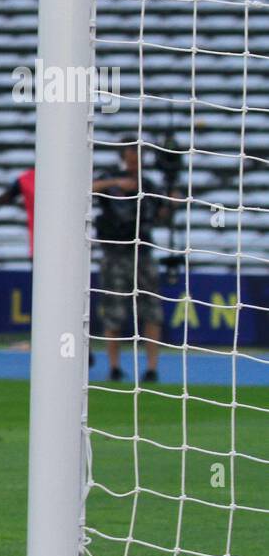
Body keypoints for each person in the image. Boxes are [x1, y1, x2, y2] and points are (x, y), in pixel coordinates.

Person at [93, 141, 167, 382]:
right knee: (113, 311)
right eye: (131, 156)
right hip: (114, 253)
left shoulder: (149, 184)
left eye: (138, 156)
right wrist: (115, 184)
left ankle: (152, 368)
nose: (135, 160)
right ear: (123, 157)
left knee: (152, 310)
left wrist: (171, 200)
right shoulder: (109, 178)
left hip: (142, 252)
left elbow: (160, 214)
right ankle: (114, 366)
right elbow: (86, 189)